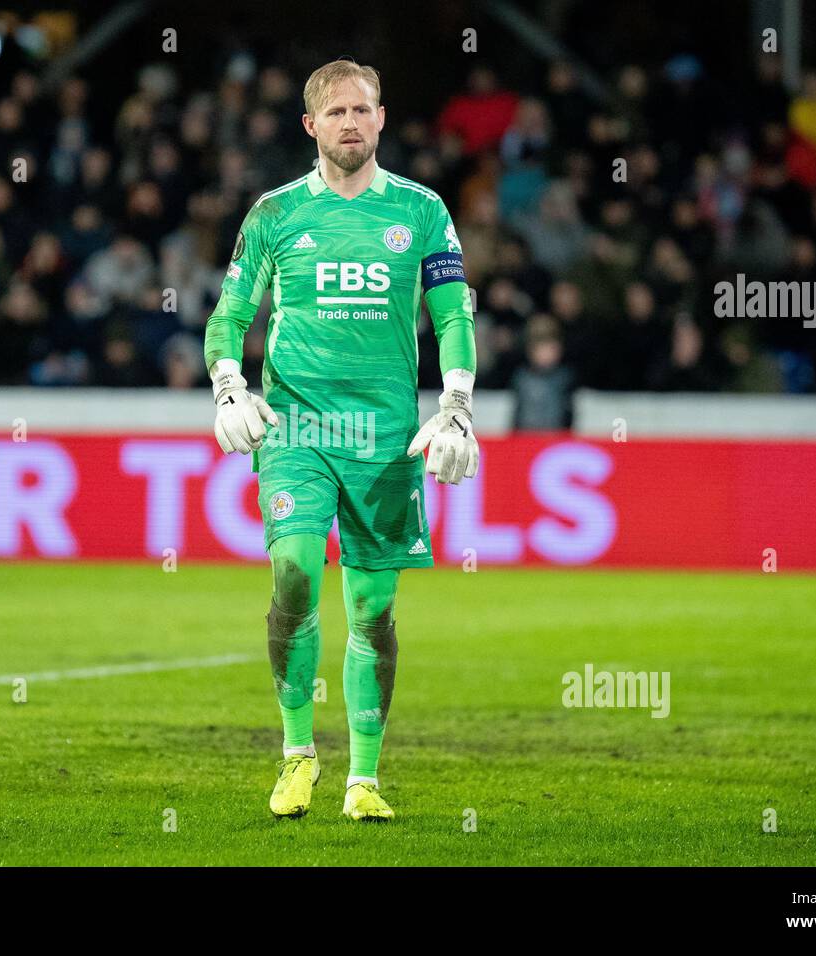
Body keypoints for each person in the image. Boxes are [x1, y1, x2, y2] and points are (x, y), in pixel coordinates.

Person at [202, 58, 478, 822]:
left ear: (382, 119)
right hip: (296, 428)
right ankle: (296, 755)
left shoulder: (422, 212)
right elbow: (229, 315)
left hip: (387, 438)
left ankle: (363, 778)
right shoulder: (274, 214)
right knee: (292, 574)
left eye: (363, 110)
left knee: (371, 608)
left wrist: (456, 403)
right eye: (336, 113)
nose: (351, 123)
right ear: (311, 126)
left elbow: (454, 316)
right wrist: (229, 387)